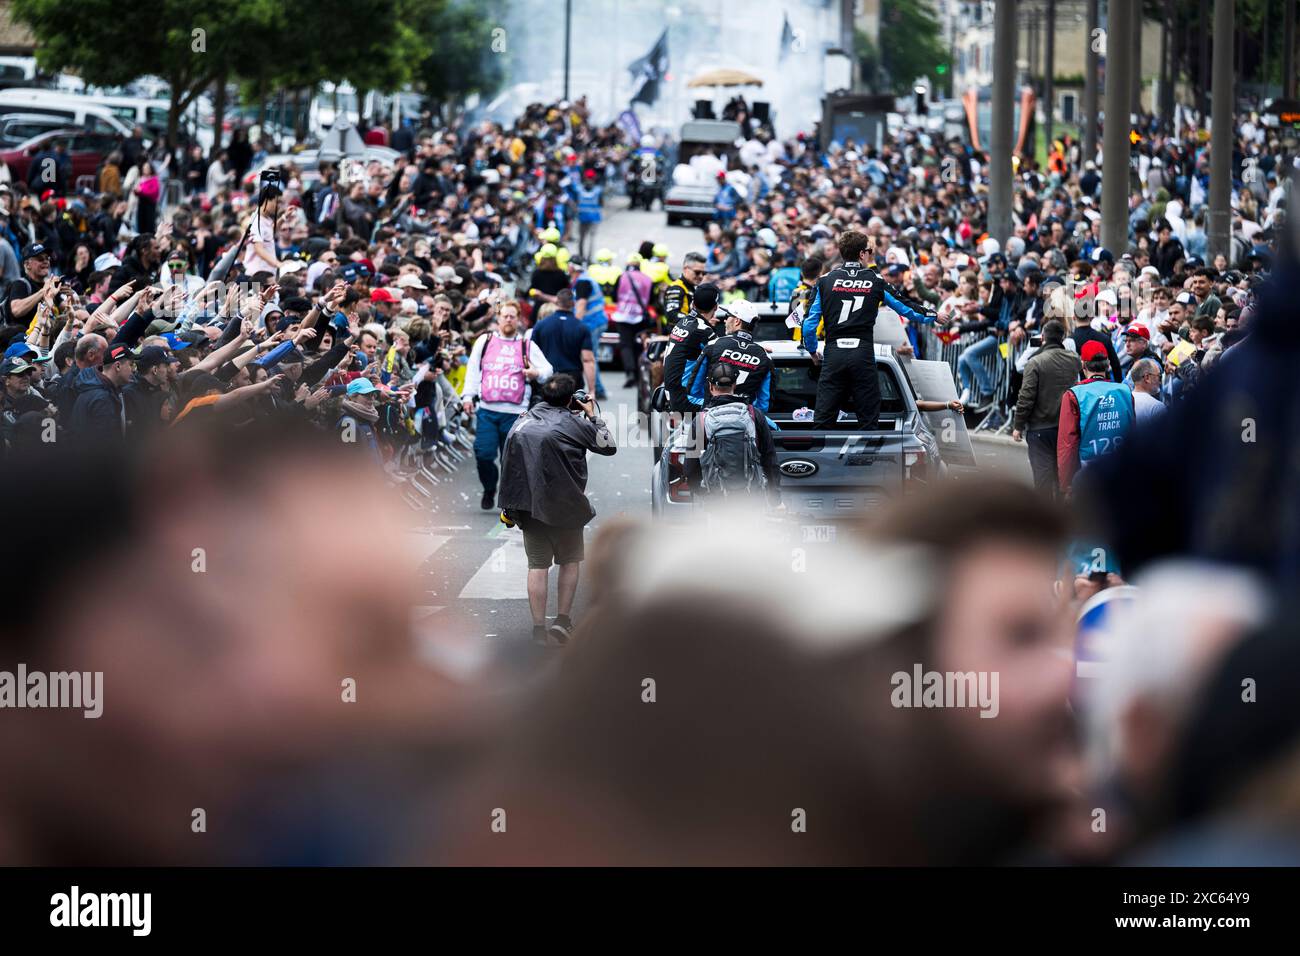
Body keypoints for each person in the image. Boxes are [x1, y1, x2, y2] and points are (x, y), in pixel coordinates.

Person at [497, 373, 616, 646]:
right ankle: (562, 622)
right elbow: (608, 446)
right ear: (569, 398)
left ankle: (538, 629)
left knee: (537, 566)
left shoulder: (523, 419)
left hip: (526, 505)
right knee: (569, 562)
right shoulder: (574, 423)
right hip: (566, 506)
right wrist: (592, 416)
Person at [802, 230, 934, 429]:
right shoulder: (876, 280)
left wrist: (812, 350)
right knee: (869, 419)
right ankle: (868, 458)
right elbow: (905, 307)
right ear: (863, 254)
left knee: (823, 420)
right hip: (862, 354)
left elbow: (809, 326)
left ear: (841, 251)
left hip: (834, 353)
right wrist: (933, 315)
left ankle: (823, 458)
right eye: (869, 251)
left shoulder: (824, 281)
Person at [461, 302, 553, 510]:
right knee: (483, 454)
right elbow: (473, 370)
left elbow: (548, 369)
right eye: (505, 316)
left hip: (515, 413)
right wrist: (468, 396)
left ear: (518, 319)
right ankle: (489, 487)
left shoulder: (526, 345)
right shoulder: (485, 341)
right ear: (498, 319)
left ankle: (509, 500)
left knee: (511, 462)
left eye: (512, 316)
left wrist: (535, 373)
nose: (508, 320)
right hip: (487, 410)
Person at [688, 362, 780, 505]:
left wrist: (705, 495)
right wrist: (775, 500)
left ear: (711, 387)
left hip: (716, 503)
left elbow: (690, 469)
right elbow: (770, 459)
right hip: (752, 500)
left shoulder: (700, 420)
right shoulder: (754, 415)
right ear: (734, 385)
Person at [1011, 320, 1082, 498]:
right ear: (1062, 338)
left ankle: (1044, 520)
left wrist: (1018, 425)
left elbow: (1026, 397)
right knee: (1063, 480)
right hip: (1066, 428)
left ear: (1042, 337)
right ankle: (1060, 519)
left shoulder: (1035, 362)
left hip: (1040, 429)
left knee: (1043, 481)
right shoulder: (1074, 360)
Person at [1057, 340, 1136, 495]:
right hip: (1121, 473)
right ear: (1107, 365)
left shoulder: (1073, 395)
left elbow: (1068, 444)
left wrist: (1065, 484)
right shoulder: (1125, 391)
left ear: (1083, 365)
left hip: (1088, 476)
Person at [688, 303, 774, 413]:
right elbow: (764, 405)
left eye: (727, 316)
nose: (724, 320)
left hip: (711, 416)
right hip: (746, 421)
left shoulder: (713, 345)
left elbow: (693, 389)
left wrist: (708, 404)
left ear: (737, 321)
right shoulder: (765, 357)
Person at [660, 281, 723, 414]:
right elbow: (726, 354)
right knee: (740, 409)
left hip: (671, 395)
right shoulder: (704, 331)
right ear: (716, 307)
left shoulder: (683, 322)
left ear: (693, 304)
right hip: (686, 399)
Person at [529, 288, 595, 396]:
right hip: (572, 380)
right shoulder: (581, 327)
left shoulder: (541, 326)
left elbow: (531, 354)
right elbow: (588, 360)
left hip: (547, 380)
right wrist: (592, 390)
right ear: (573, 303)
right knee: (572, 412)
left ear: (557, 302)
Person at [610, 252, 652, 387]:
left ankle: (630, 373)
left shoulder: (621, 277)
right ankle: (640, 374)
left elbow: (614, 297)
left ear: (628, 264)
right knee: (638, 345)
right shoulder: (647, 279)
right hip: (640, 316)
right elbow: (651, 299)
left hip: (623, 316)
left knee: (625, 345)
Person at [661, 251, 706, 327]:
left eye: (703, 273)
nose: (701, 276)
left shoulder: (692, 287)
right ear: (685, 269)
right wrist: (700, 321)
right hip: (678, 335)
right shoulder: (676, 288)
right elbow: (672, 316)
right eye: (697, 272)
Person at [571, 169, 603, 262]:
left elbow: (575, 202)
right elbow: (601, 203)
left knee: (582, 238)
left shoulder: (579, 189)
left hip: (582, 217)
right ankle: (589, 259)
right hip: (594, 217)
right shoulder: (598, 190)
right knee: (590, 238)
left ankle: (581, 257)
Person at [1129, 357, 1165, 425]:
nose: (1160, 382)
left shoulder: (1125, 401)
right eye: (1159, 376)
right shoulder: (1157, 407)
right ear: (1147, 378)